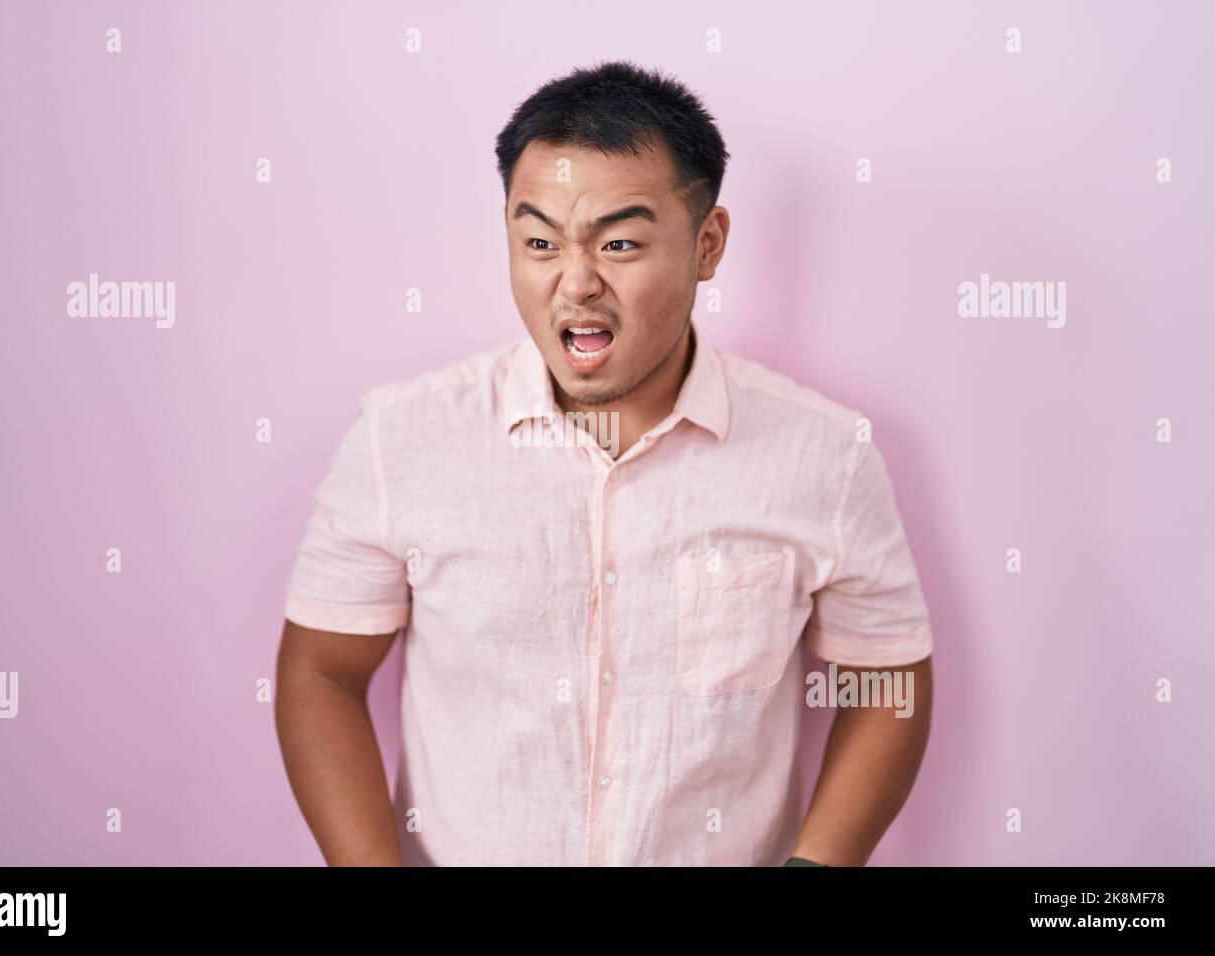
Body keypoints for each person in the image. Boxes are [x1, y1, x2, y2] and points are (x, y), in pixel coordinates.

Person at [274, 60, 933, 866]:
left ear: (707, 244)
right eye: (540, 242)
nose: (575, 282)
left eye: (620, 242)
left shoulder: (823, 456)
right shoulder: (399, 440)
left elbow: (885, 682)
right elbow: (321, 674)